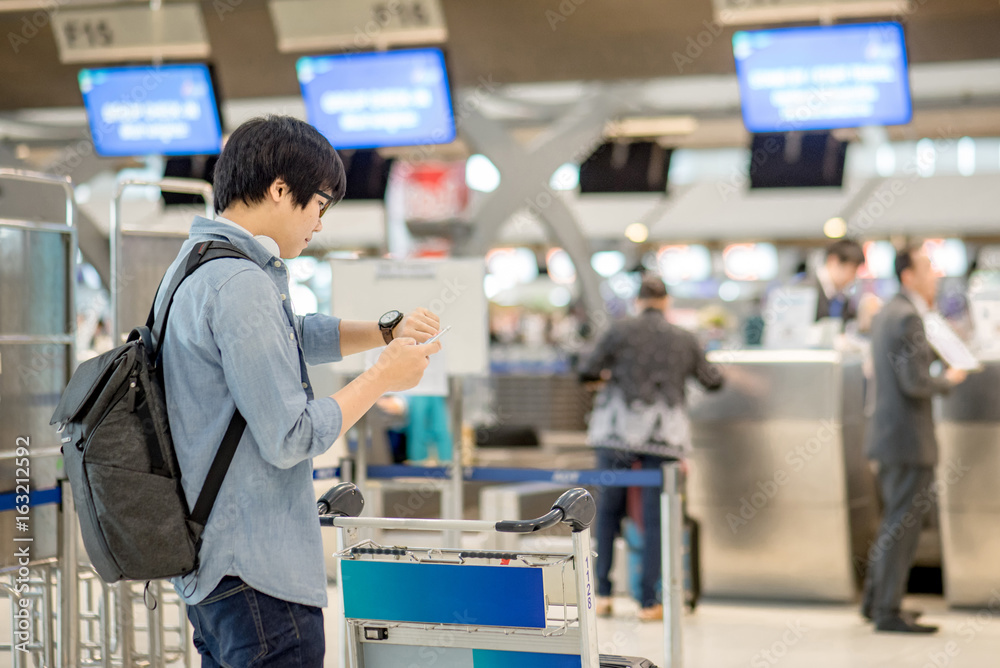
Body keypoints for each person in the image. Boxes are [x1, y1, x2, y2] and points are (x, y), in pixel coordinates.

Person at [154, 115, 442, 666]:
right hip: (260, 573)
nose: (320, 222)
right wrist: (383, 376)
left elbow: (288, 336)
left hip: (212, 565)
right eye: (320, 204)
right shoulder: (241, 284)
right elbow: (290, 435)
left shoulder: (196, 267)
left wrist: (384, 330)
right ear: (281, 189)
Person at [578, 275, 723, 621]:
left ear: (638, 301)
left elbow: (585, 371)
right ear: (666, 302)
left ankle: (602, 594)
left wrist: (609, 378)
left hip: (616, 432)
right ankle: (649, 602)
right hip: (664, 436)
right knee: (656, 518)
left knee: (608, 512)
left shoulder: (619, 330)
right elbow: (712, 381)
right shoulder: (684, 338)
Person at [862, 244, 967, 634]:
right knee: (902, 525)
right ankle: (888, 610)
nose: (934, 276)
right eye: (927, 268)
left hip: (889, 436)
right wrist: (950, 380)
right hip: (907, 438)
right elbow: (915, 382)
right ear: (908, 275)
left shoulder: (887, 313)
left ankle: (876, 602)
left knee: (893, 521)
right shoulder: (909, 318)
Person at [810, 238, 866, 321]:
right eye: (851, 271)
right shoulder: (807, 289)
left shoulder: (841, 295)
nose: (852, 278)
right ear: (833, 261)